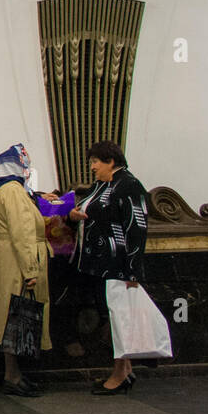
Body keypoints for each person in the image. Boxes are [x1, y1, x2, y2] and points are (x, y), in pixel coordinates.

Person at [67, 140, 148, 395]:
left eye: (95, 162)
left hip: (117, 265)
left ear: (110, 161)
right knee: (113, 318)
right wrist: (73, 216)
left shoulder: (129, 185)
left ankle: (119, 374)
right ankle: (125, 370)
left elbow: (137, 229)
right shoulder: (104, 185)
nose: (92, 167)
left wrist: (133, 270)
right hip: (98, 264)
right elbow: (86, 210)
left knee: (117, 320)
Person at [0, 143, 51, 396]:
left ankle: (14, 374)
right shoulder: (13, 192)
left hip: (6, 259)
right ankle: (13, 376)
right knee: (19, 316)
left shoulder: (1, 190)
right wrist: (31, 270)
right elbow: (22, 232)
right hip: (17, 262)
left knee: (11, 316)